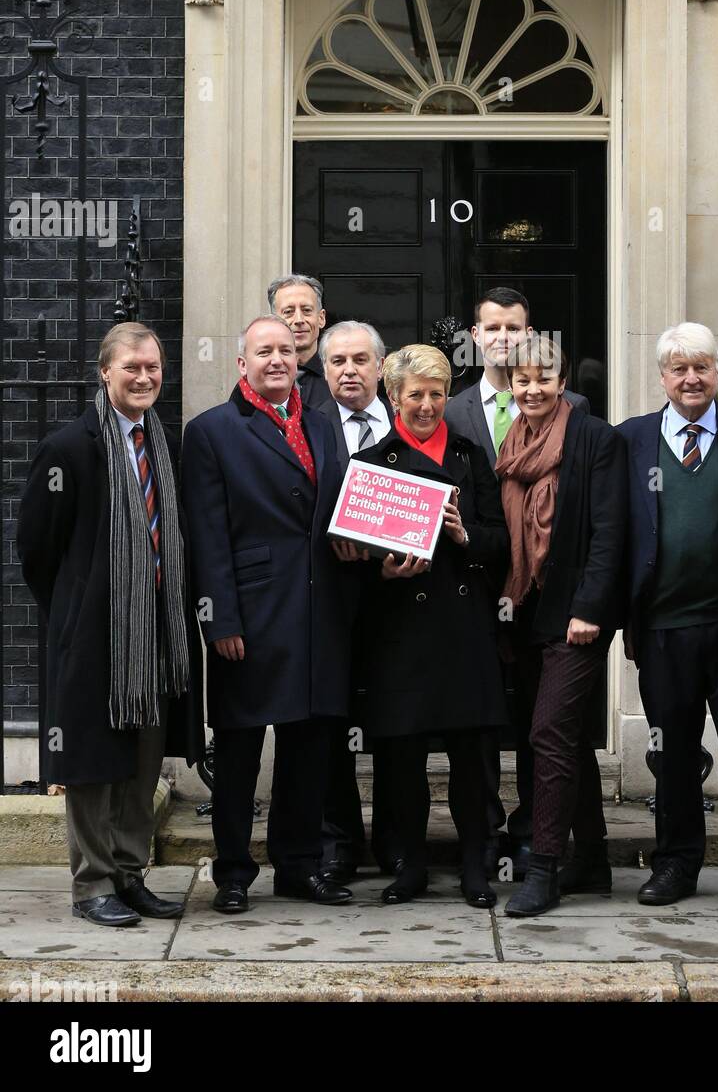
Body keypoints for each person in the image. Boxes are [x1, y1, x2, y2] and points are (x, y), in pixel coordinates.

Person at [17, 323, 203, 927]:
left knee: (143, 759)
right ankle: (92, 883)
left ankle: (129, 874)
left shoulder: (161, 443)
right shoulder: (69, 448)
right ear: (105, 372)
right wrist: (77, 608)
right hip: (96, 634)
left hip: (154, 632)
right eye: (132, 368)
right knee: (93, 763)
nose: (145, 377)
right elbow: (36, 549)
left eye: (153, 367)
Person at [181, 316, 353, 914]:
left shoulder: (324, 424)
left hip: (318, 611)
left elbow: (339, 509)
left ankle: (299, 866)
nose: (277, 359)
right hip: (250, 616)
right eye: (264, 351)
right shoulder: (211, 431)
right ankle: (232, 872)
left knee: (309, 750)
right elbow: (204, 534)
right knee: (238, 753)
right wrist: (219, 620)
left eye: (285, 350)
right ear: (242, 363)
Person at [616, 323, 718, 910]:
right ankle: (676, 864)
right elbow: (614, 530)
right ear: (662, 377)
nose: (691, 378)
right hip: (662, 627)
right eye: (679, 368)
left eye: (702, 367)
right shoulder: (631, 439)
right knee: (674, 754)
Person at [336, 343, 509, 907]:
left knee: (474, 760)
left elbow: (501, 544)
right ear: (393, 398)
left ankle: (477, 868)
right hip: (401, 637)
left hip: (465, 632)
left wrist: (465, 536)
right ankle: (407, 867)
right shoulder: (368, 466)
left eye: (437, 394)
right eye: (416, 395)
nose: (428, 405)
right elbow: (347, 564)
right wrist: (381, 572)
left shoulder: (470, 455)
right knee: (401, 760)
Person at [445, 286, 589, 877]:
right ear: (475, 338)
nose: (504, 338)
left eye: (516, 328)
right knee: (478, 717)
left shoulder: (574, 408)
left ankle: (536, 829)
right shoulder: (450, 410)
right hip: (475, 590)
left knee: (541, 718)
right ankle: (482, 828)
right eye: (493, 328)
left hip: (542, 596)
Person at [495, 336, 627, 918]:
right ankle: (593, 859)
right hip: (524, 609)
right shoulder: (511, 442)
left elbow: (610, 532)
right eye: (521, 380)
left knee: (548, 733)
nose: (532, 390)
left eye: (543, 379)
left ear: (563, 379)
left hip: (576, 616)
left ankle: (543, 867)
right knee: (562, 736)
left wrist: (590, 609)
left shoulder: (596, 439)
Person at [313, 319, 399, 881]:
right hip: (333, 597)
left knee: (397, 718)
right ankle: (338, 841)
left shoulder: (413, 424)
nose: (349, 370)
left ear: (380, 368)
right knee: (331, 719)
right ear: (323, 371)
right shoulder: (308, 428)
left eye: (360, 360)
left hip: (403, 596)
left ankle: (396, 841)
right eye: (338, 361)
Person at [268, 272, 330, 407]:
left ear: (321, 318)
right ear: (274, 320)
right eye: (288, 312)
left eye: (307, 310)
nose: (299, 320)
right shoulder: (260, 379)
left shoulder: (339, 378)